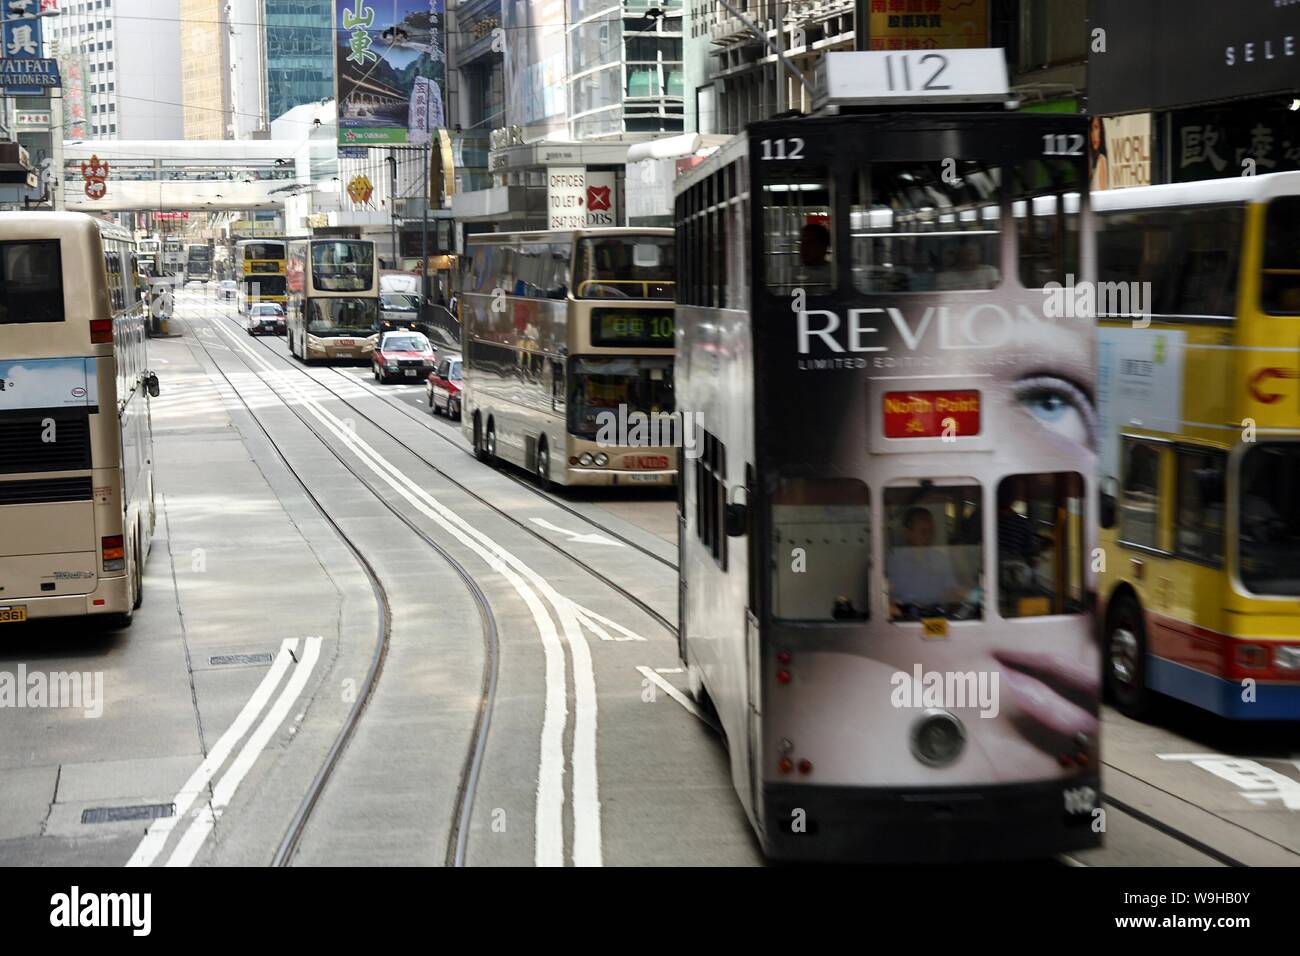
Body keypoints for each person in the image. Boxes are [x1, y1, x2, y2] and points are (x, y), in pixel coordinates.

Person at [887, 506, 966, 615]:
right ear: (907, 533)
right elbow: (888, 594)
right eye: (923, 532)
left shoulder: (941, 559)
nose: (928, 536)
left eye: (931, 531)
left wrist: (963, 596)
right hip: (905, 617)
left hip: (937, 616)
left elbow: (951, 592)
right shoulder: (896, 561)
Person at [797, 222, 833, 287]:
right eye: (802, 242)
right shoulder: (794, 273)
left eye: (810, 243)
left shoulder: (834, 274)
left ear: (823, 247)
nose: (803, 247)